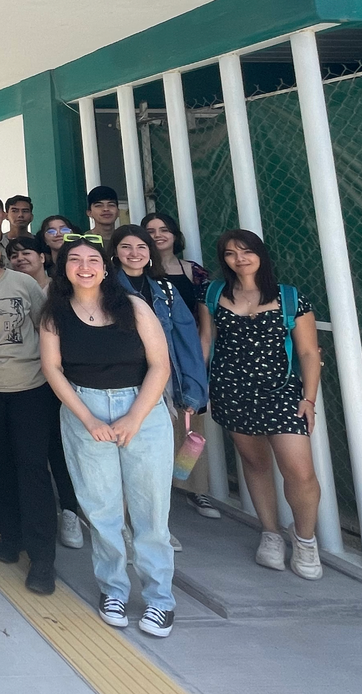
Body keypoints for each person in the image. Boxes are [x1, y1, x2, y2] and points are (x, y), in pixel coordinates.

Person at [39, 236, 177, 636]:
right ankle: (113, 589)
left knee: (151, 510)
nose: (85, 266)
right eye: (75, 259)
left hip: (143, 409)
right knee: (101, 511)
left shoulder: (132, 306)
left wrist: (135, 417)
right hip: (84, 408)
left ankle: (159, 599)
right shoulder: (55, 313)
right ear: (63, 267)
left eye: (93, 259)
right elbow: (53, 369)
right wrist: (88, 419)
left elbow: (160, 365)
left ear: (106, 265)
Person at [203, 229, 324, 580]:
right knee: (254, 464)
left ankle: (304, 539)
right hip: (232, 391)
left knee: (300, 472)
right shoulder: (213, 293)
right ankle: (270, 533)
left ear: (260, 254)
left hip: (283, 392)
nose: (239, 259)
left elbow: (307, 351)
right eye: (230, 253)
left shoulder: (289, 297)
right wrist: (198, 388)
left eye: (246, 251)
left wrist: (309, 399)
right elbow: (206, 342)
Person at [0, 225, 61, 594]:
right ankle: (10, 534)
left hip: (31, 388)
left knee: (33, 469)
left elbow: (44, 327)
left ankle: (42, 557)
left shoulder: (24, 283)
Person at [110, 226, 208, 552]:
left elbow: (186, 342)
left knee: (154, 464)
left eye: (141, 246)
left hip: (159, 385)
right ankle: (122, 528)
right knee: (119, 462)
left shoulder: (165, 289)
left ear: (150, 252)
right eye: (126, 247)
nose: (134, 253)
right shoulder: (104, 286)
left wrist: (192, 390)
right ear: (115, 252)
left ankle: (154, 528)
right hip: (115, 382)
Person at [139, 212, 220, 518]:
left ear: (175, 235)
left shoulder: (194, 273)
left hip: (188, 356)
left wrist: (198, 363)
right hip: (151, 358)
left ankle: (195, 489)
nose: (158, 235)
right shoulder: (138, 272)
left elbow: (205, 321)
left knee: (191, 423)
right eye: (150, 230)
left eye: (164, 229)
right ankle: (156, 493)